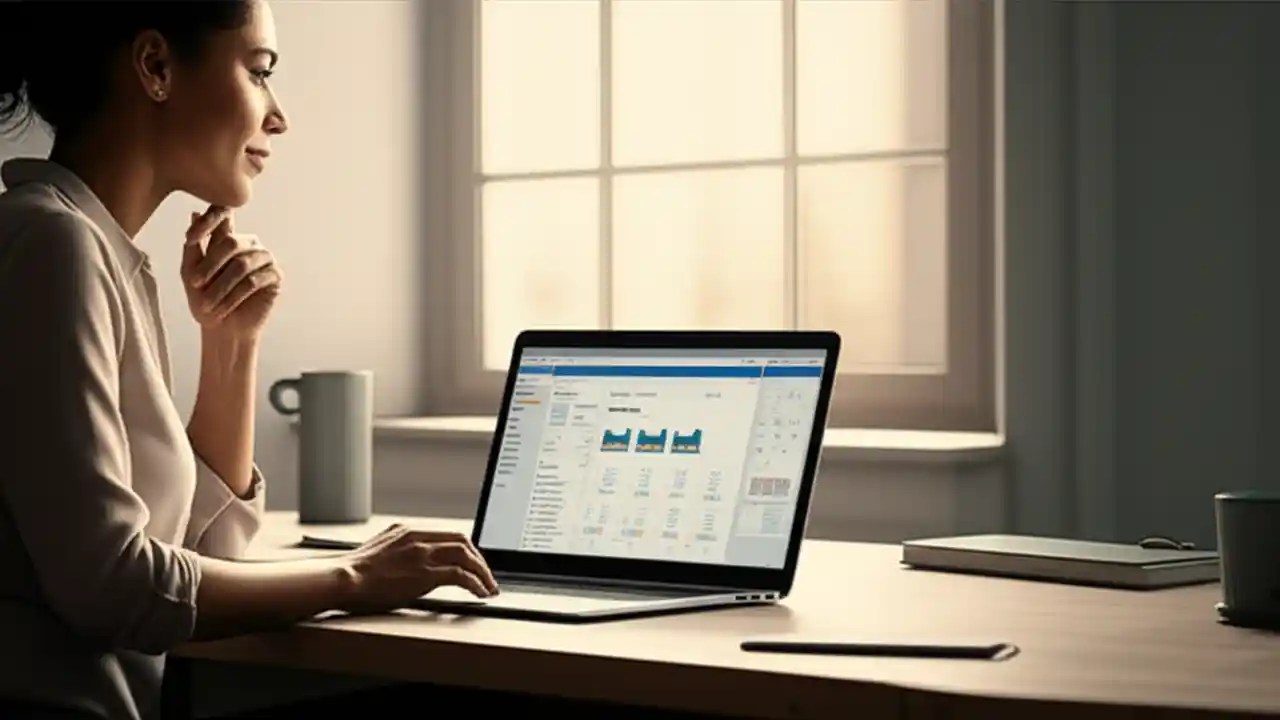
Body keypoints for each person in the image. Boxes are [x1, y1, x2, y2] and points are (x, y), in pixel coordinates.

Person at [0, 2, 500, 718]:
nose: (278, 115)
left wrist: (231, 344)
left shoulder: (88, 248)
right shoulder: (50, 245)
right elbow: (115, 586)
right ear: (155, 66)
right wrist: (354, 575)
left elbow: (210, 554)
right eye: (260, 72)